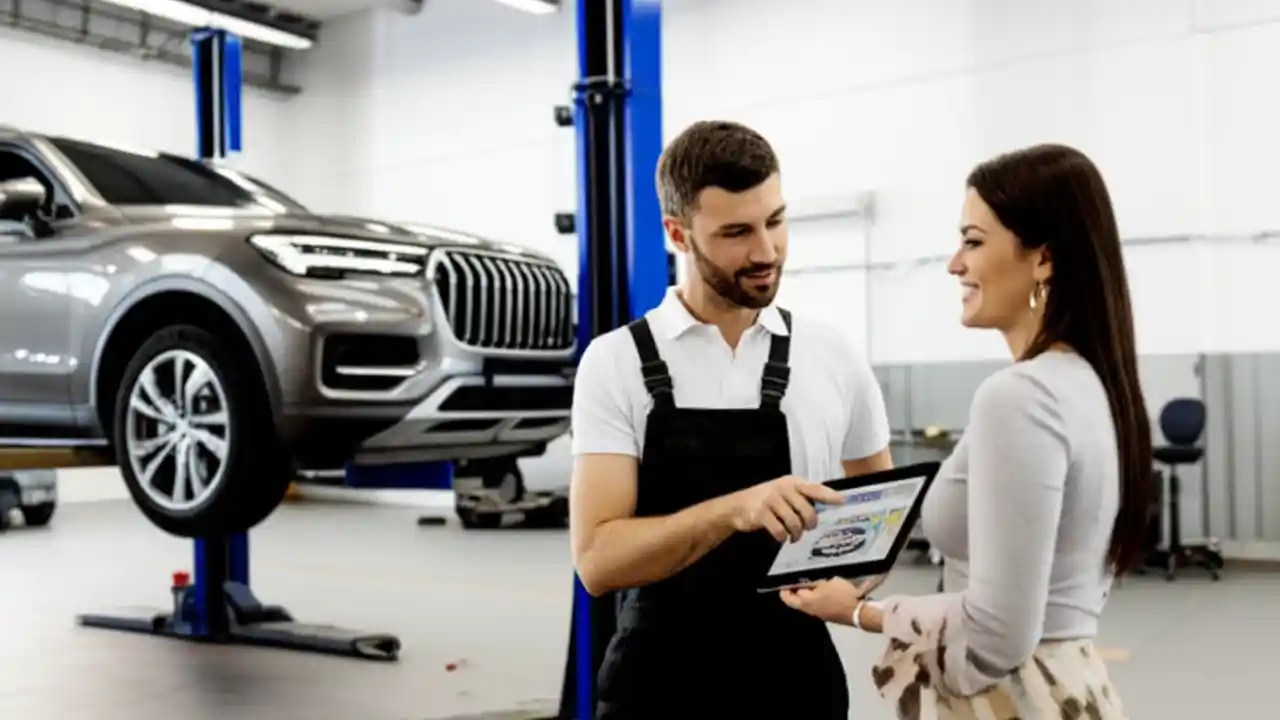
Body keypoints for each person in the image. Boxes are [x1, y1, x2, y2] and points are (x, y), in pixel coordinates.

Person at [780, 143, 1150, 719]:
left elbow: (998, 633)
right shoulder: (1092, 383)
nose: (955, 263)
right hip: (1071, 684)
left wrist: (854, 612)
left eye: (973, 241)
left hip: (1016, 697)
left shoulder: (1019, 397)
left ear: (1043, 259)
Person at [568, 119, 894, 719]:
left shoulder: (832, 356)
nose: (766, 252)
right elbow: (597, 561)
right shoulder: (616, 363)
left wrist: (855, 587)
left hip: (796, 685)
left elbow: (881, 521)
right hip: (656, 688)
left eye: (775, 221)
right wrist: (734, 509)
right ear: (678, 234)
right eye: (737, 233)